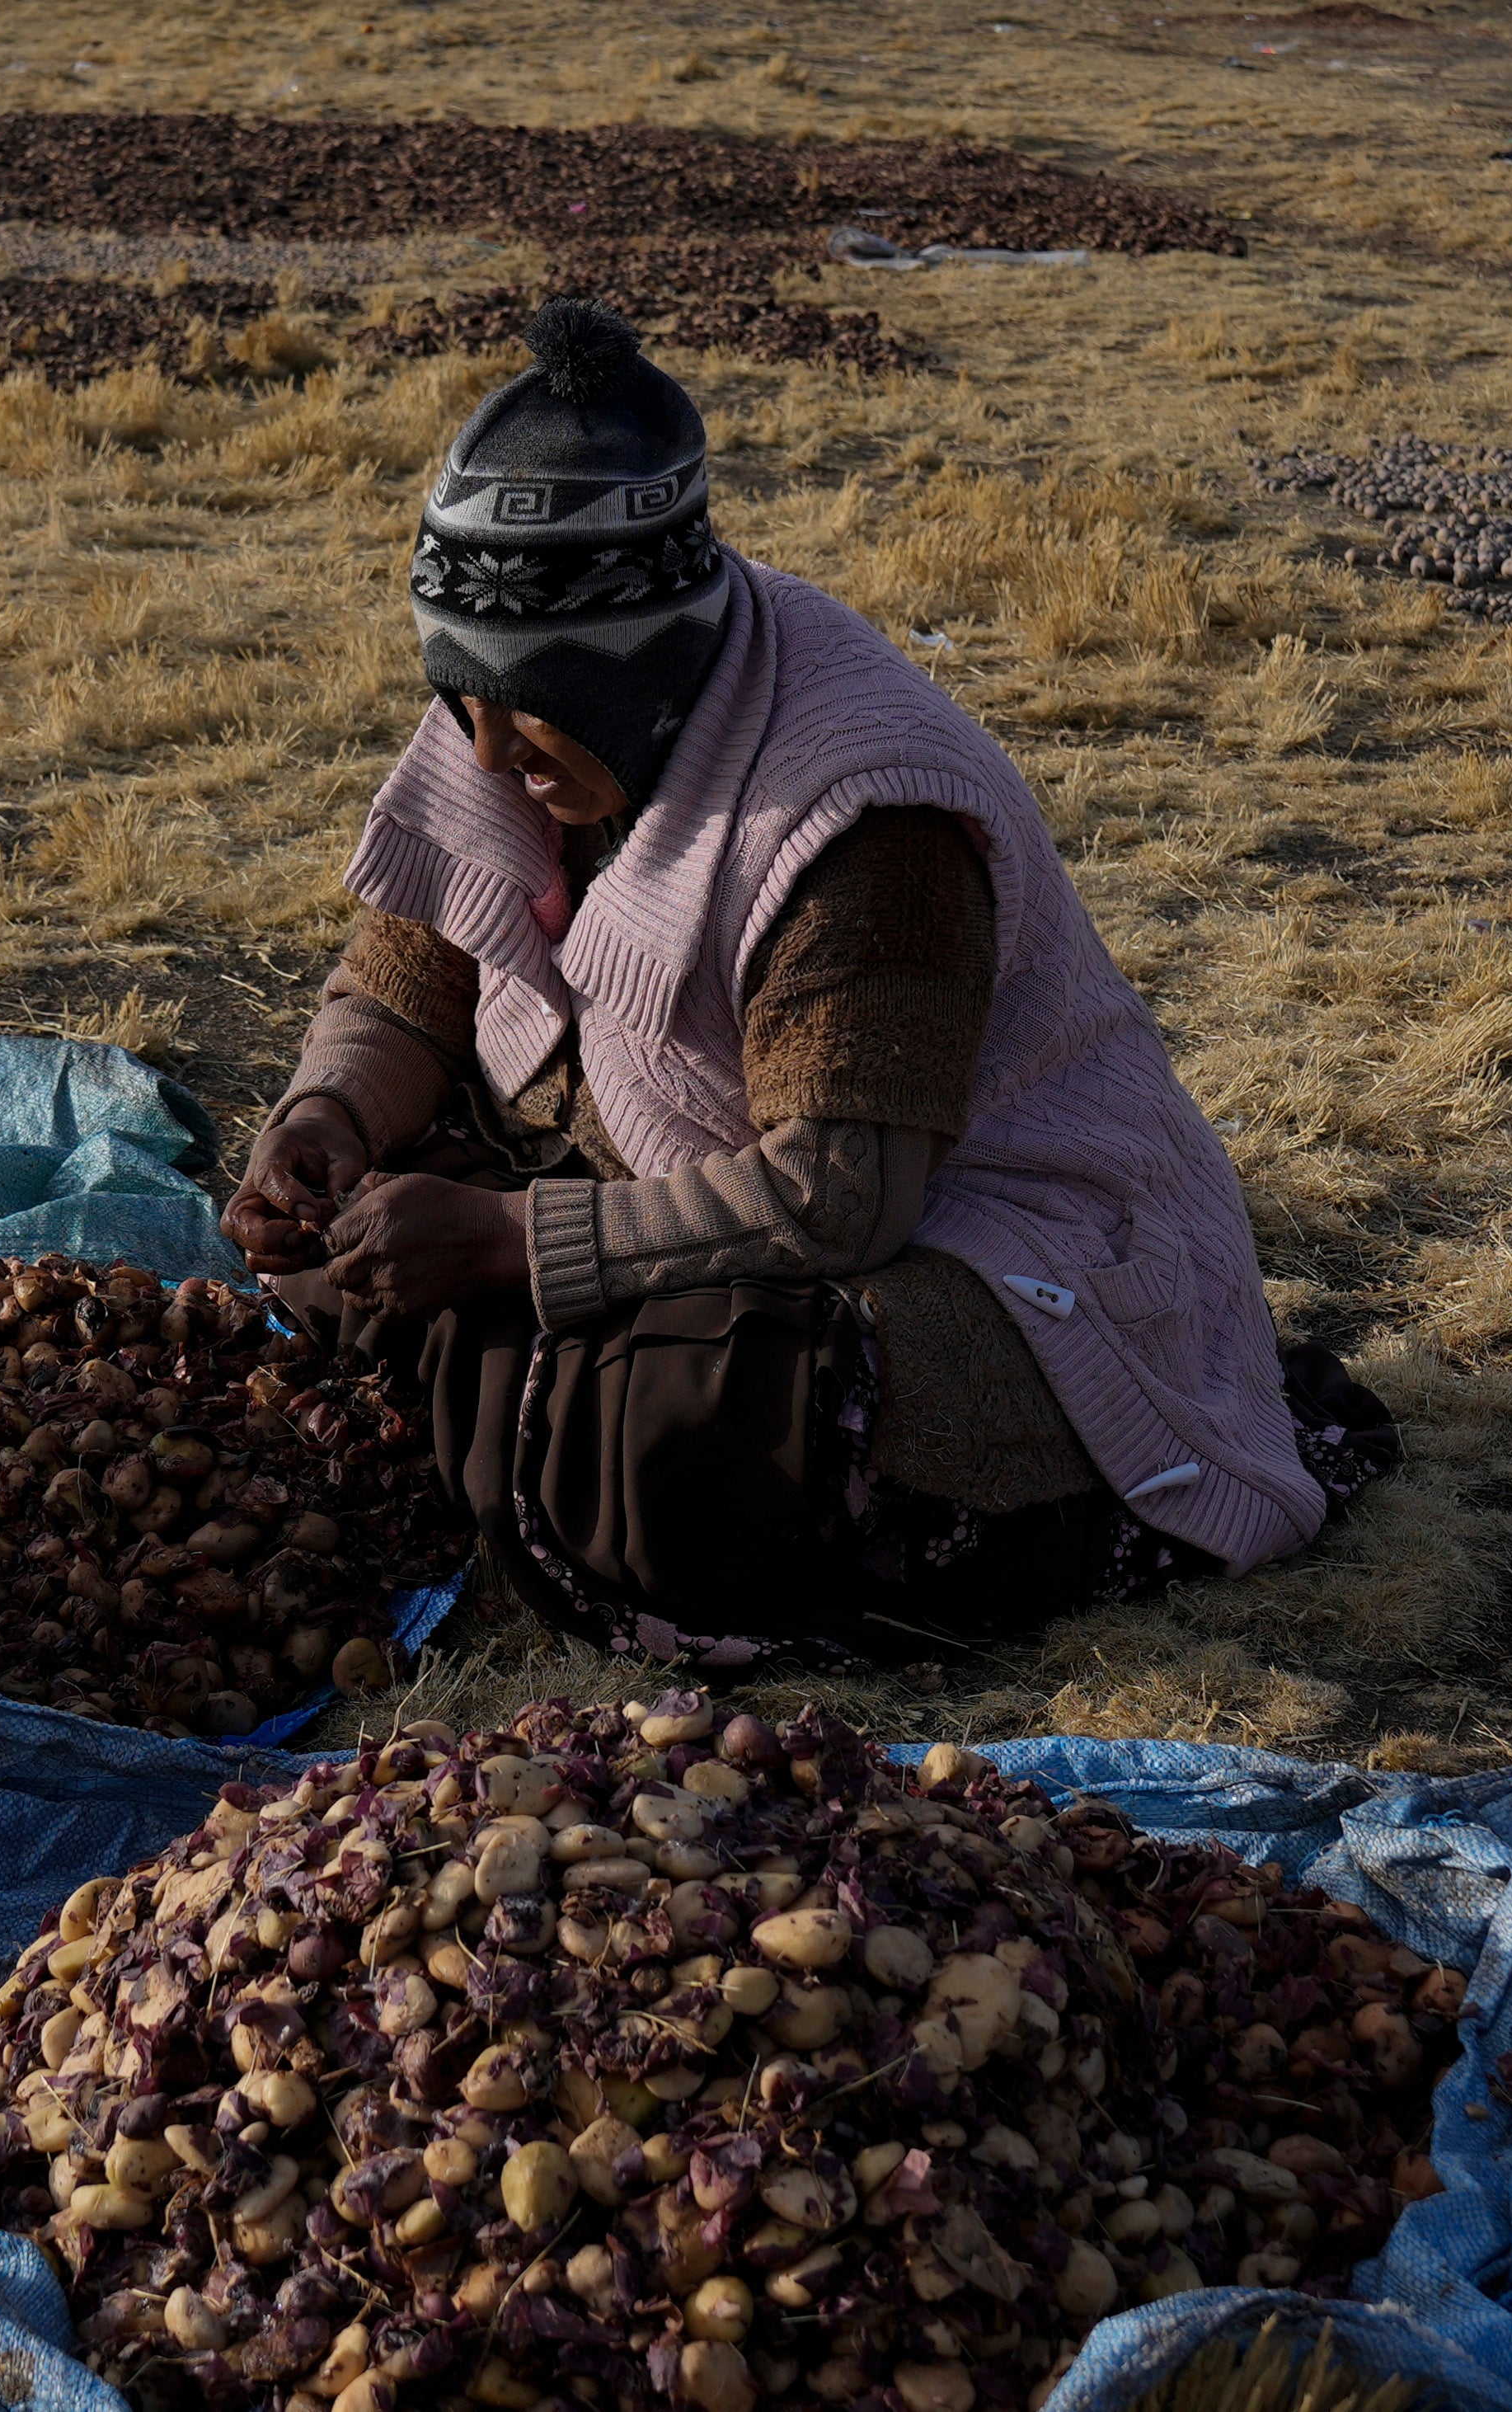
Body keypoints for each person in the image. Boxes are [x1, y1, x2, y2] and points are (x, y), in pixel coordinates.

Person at [224, 299, 1394, 1667]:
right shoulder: (531, 731)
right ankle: (501, 1386)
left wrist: (502, 1247)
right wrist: (329, 1119)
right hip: (670, 1181)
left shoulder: (860, 811)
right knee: (334, 1239)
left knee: (695, 1437)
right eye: (460, 702)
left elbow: (844, 1195)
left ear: (638, 677)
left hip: (981, 1245)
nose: (488, 759)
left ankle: (544, 1410)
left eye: (526, 708)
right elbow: (409, 973)